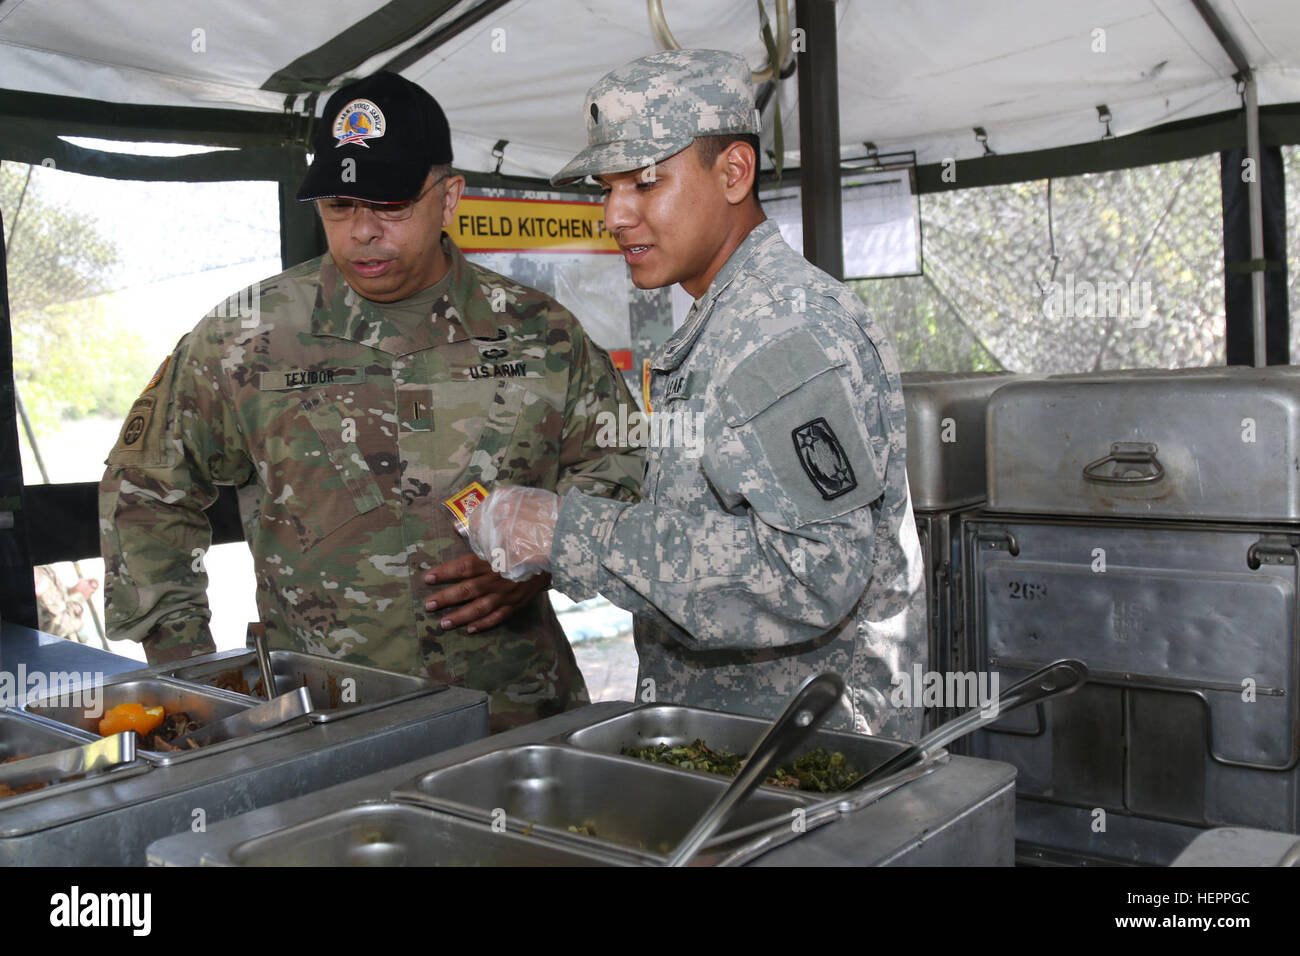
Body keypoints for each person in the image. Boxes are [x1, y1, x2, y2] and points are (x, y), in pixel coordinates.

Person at [99, 72, 643, 732]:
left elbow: (625, 470)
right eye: (338, 206)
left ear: (447, 200)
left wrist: (551, 555)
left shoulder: (540, 332)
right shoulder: (246, 337)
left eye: (389, 206)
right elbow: (146, 486)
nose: (361, 232)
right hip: (320, 726)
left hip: (512, 716)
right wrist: (186, 666)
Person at [464, 50, 925, 739]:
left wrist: (564, 532)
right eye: (607, 187)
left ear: (733, 172)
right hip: (748, 746)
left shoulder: (780, 331)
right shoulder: (729, 317)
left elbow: (811, 572)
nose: (614, 214)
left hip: (807, 762)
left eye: (645, 183)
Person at [33, 565, 98, 642]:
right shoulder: (38, 573)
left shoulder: (44, 569)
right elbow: (52, 627)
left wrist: (72, 592)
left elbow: (53, 601)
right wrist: (80, 597)